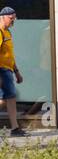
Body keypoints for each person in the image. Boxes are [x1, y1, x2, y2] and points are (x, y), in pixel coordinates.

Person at [0, 7, 25, 137]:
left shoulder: (8, 33)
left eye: (14, 19)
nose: (12, 21)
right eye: (11, 19)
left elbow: (10, 55)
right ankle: (15, 128)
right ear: (3, 17)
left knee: (8, 98)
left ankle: (15, 128)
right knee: (8, 98)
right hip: (2, 70)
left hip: (8, 70)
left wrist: (17, 72)